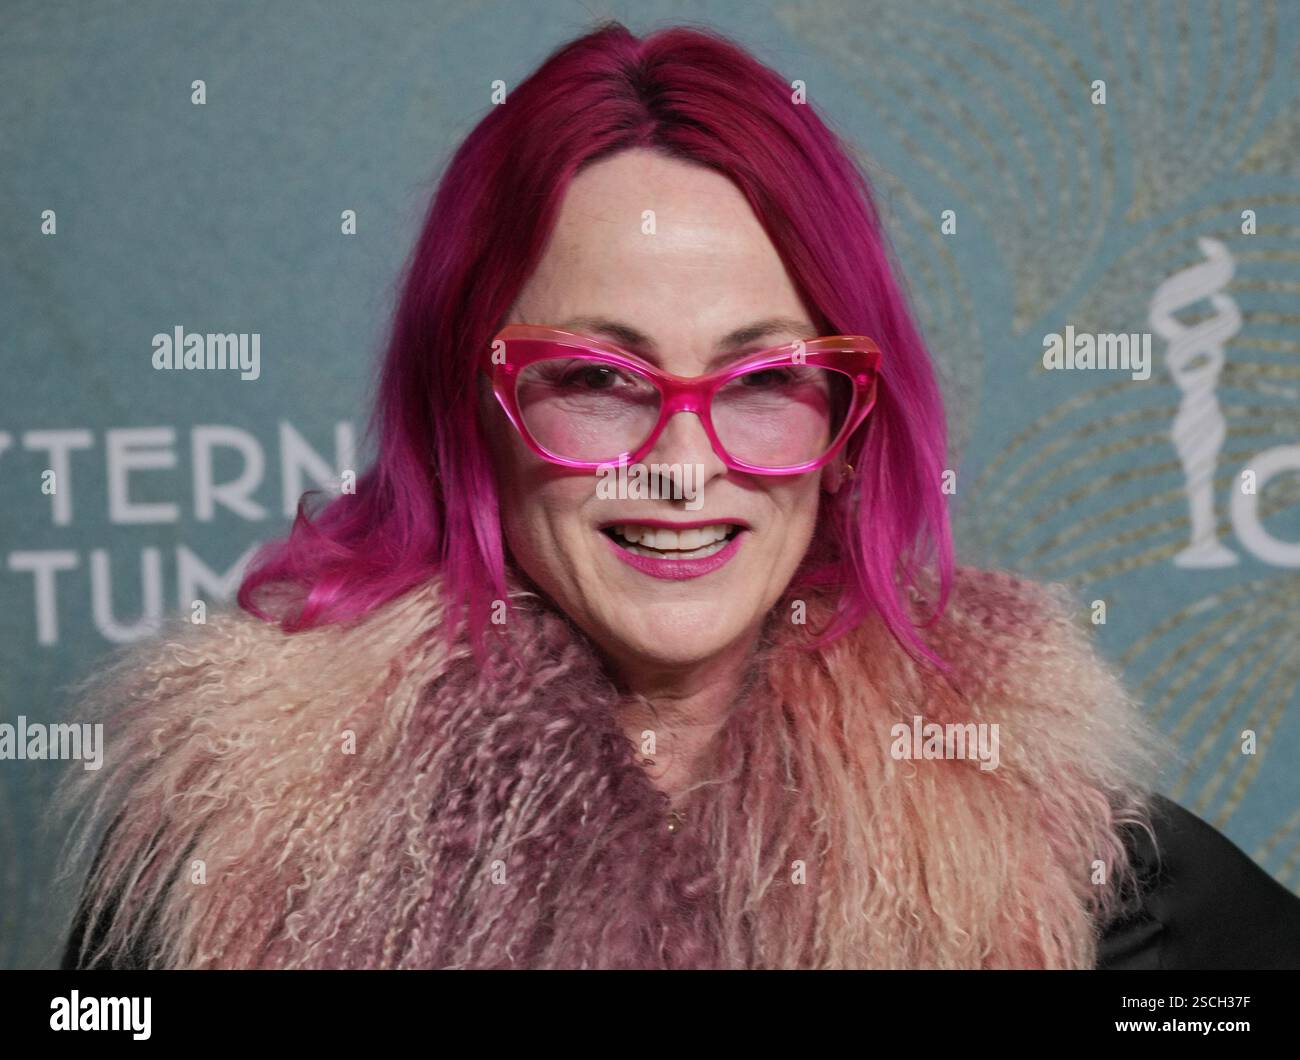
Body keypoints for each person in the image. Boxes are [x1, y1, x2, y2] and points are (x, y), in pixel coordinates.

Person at [54, 20, 1300, 970]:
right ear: (468, 411)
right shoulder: (230, 859)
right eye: (598, 375)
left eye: (763, 378)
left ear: (845, 430)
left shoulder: (1070, 867)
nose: (683, 462)